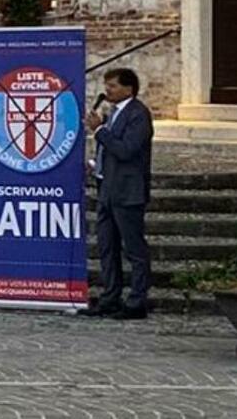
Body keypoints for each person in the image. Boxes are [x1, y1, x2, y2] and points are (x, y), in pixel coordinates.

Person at [80, 68, 154, 320]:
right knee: (107, 246)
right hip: (107, 189)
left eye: (112, 86)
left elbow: (126, 150)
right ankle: (110, 296)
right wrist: (93, 165)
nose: (107, 90)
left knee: (134, 248)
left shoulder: (138, 115)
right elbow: (110, 152)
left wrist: (99, 131)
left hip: (127, 192)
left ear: (128, 89)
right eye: (107, 85)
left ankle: (137, 300)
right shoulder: (114, 113)